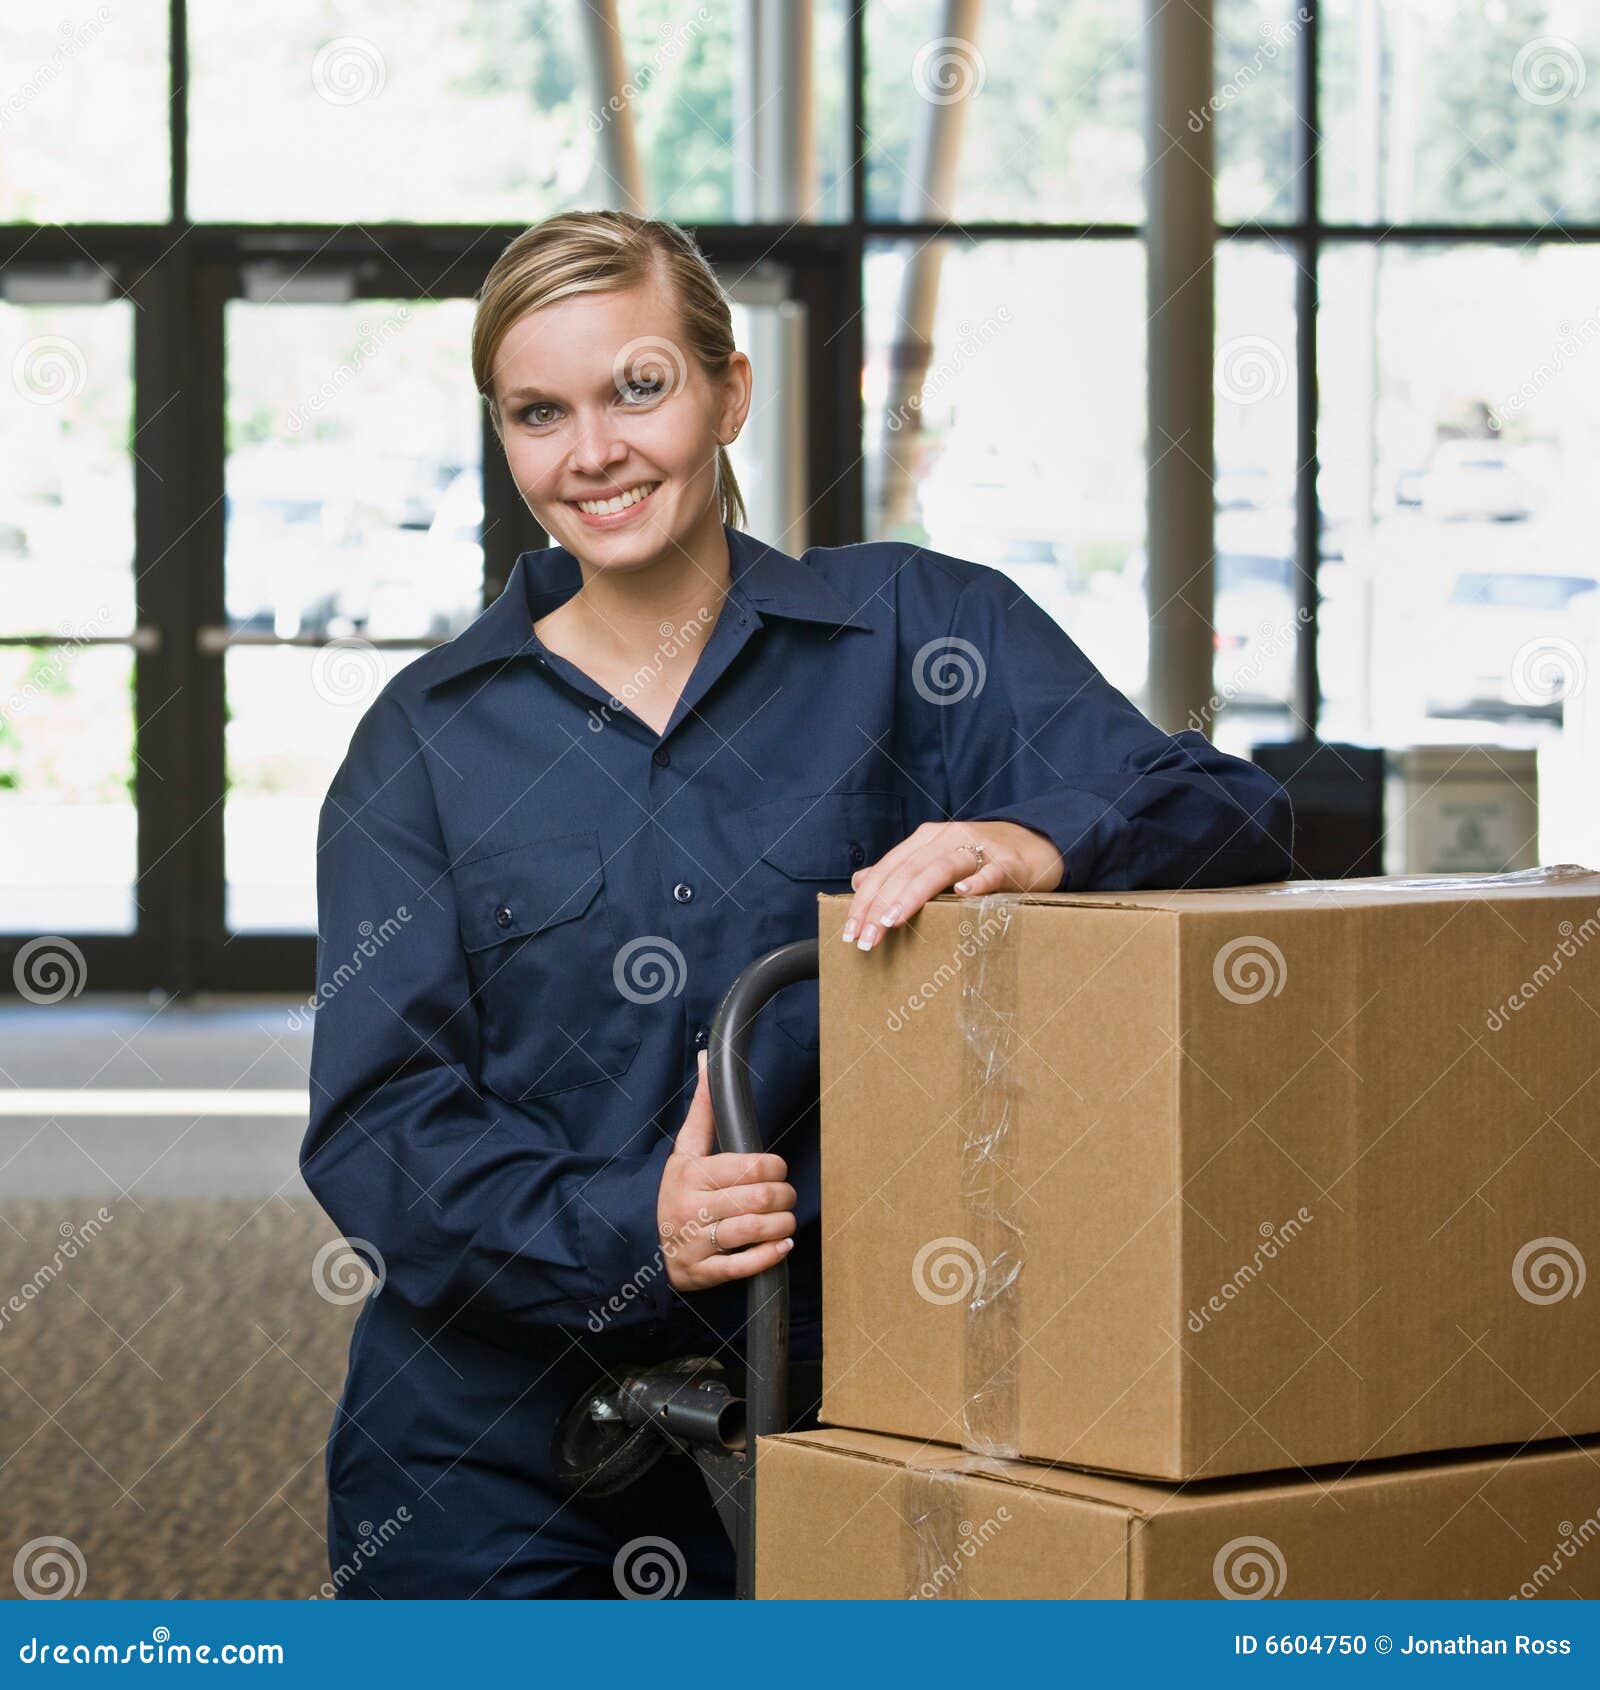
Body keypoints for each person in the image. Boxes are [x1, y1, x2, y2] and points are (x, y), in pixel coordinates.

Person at [299, 209, 1294, 1599]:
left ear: (727, 389)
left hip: (843, 1410)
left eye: (636, 388)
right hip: (493, 1453)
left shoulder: (916, 636)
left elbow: (1234, 809)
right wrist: (633, 1227)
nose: (592, 451)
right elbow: (378, 1127)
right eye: (540, 412)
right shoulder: (422, 741)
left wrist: (1041, 839)